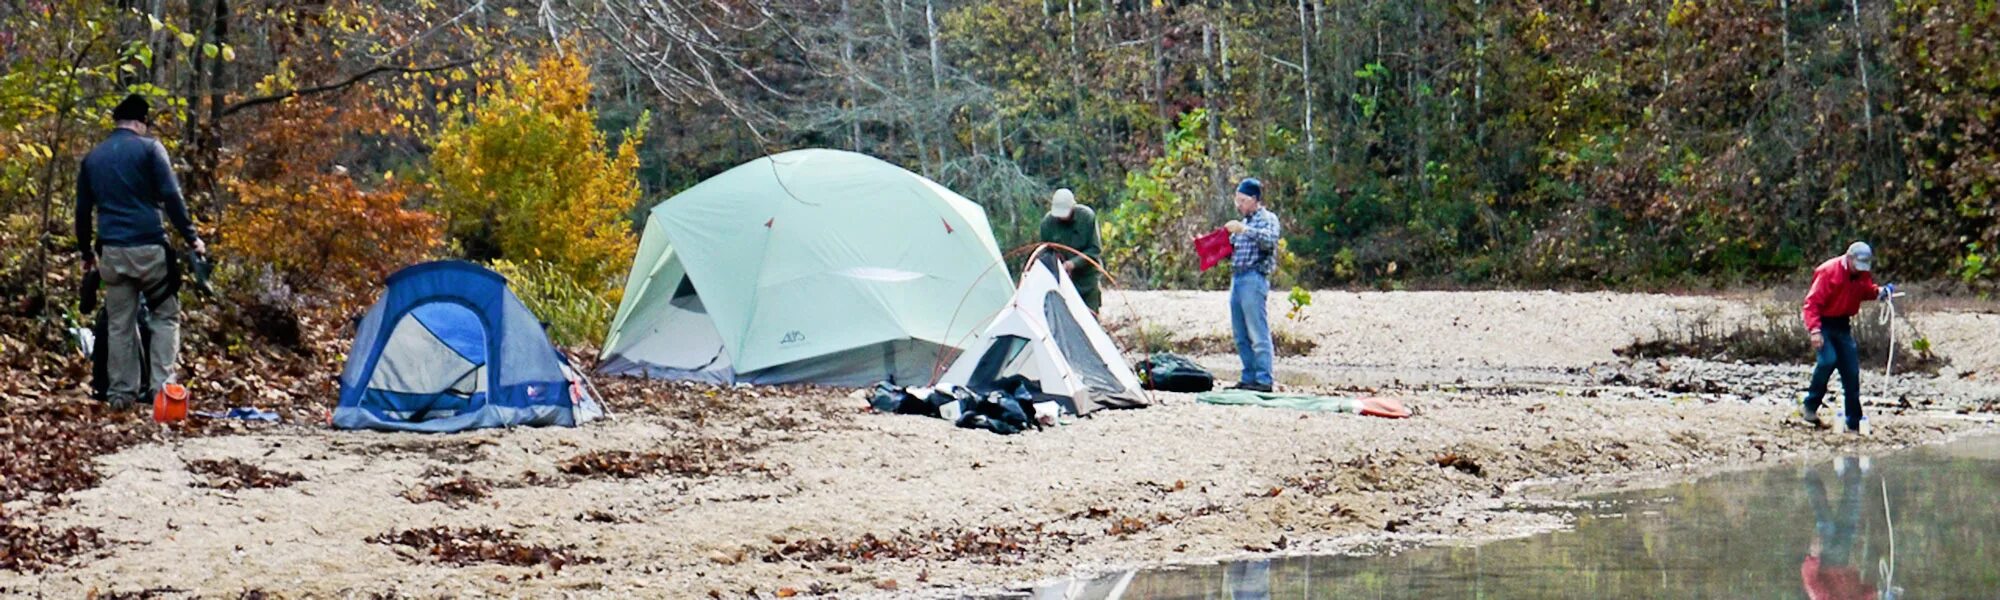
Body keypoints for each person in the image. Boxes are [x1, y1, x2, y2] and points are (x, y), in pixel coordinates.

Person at [74, 94, 204, 411]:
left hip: (113, 253)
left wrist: (86, 254)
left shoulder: (93, 158)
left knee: (120, 323)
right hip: (149, 249)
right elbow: (172, 197)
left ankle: (120, 396)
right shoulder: (150, 149)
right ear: (140, 122)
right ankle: (163, 395)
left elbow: (82, 212)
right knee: (165, 317)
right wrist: (191, 238)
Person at [1800, 242, 1893, 433]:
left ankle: (1854, 420)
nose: (1860, 269)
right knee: (1827, 361)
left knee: (1851, 372)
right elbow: (1812, 303)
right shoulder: (1827, 272)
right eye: (1857, 264)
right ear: (1849, 258)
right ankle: (1810, 406)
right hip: (1824, 324)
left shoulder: (1861, 273)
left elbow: (1864, 290)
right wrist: (1815, 330)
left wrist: (1880, 292)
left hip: (1843, 325)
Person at [1224, 178, 1280, 393]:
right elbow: (1231, 251)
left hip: (1254, 278)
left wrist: (1244, 230)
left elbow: (1269, 241)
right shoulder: (1242, 222)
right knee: (1240, 333)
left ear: (1255, 200)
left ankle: (1264, 379)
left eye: (1242, 200)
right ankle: (1248, 377)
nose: (1239, 205)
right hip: (1237, 278)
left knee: (1257, 331)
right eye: (1236, 200)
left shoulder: (1267, 219)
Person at [1038, 188, 1104, 314]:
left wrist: (1073, 264)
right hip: (1062, 282)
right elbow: (1045, 252)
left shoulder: (1087, 217)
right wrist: (1056, 266)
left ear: (1073, 206)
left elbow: (1095, 250)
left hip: (1087, 280)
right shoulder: (1047, 224)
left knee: (1090, 317)